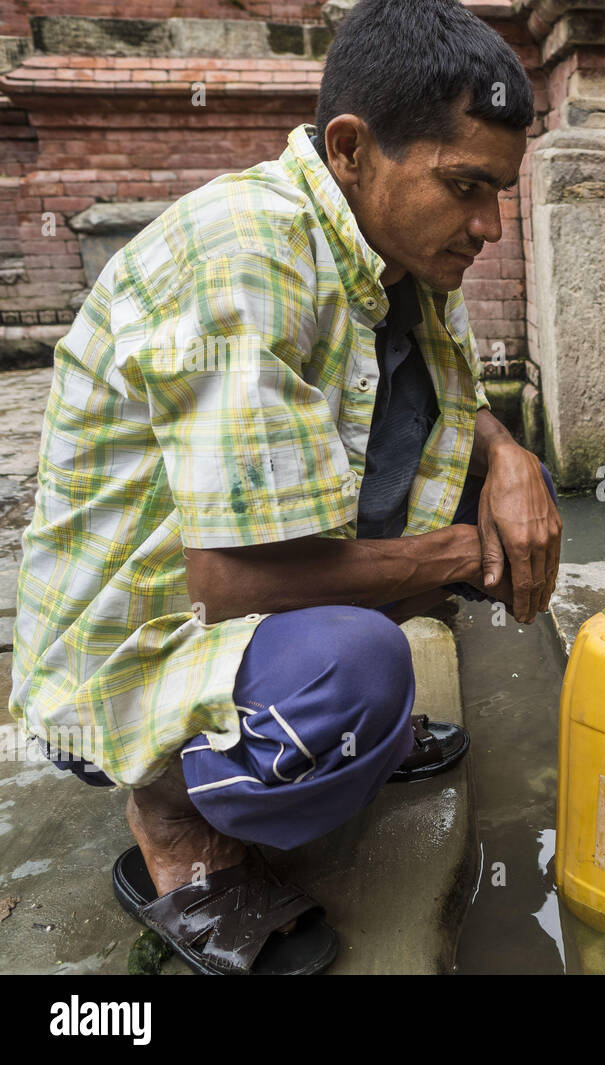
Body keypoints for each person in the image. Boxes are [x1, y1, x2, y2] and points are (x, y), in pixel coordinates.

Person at [7, 0, 560, 974]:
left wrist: (510, 461)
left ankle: (322, 725)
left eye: (500, 192)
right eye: (468, 187)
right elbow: (237, 580)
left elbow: (453, 397)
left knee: (467, 529)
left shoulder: (403, 254)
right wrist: (462, 558)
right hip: (145, 645)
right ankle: (174, 824)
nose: (490, 226)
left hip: (251, 577)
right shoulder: (250, 261)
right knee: (360, 672)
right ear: (351, 149)